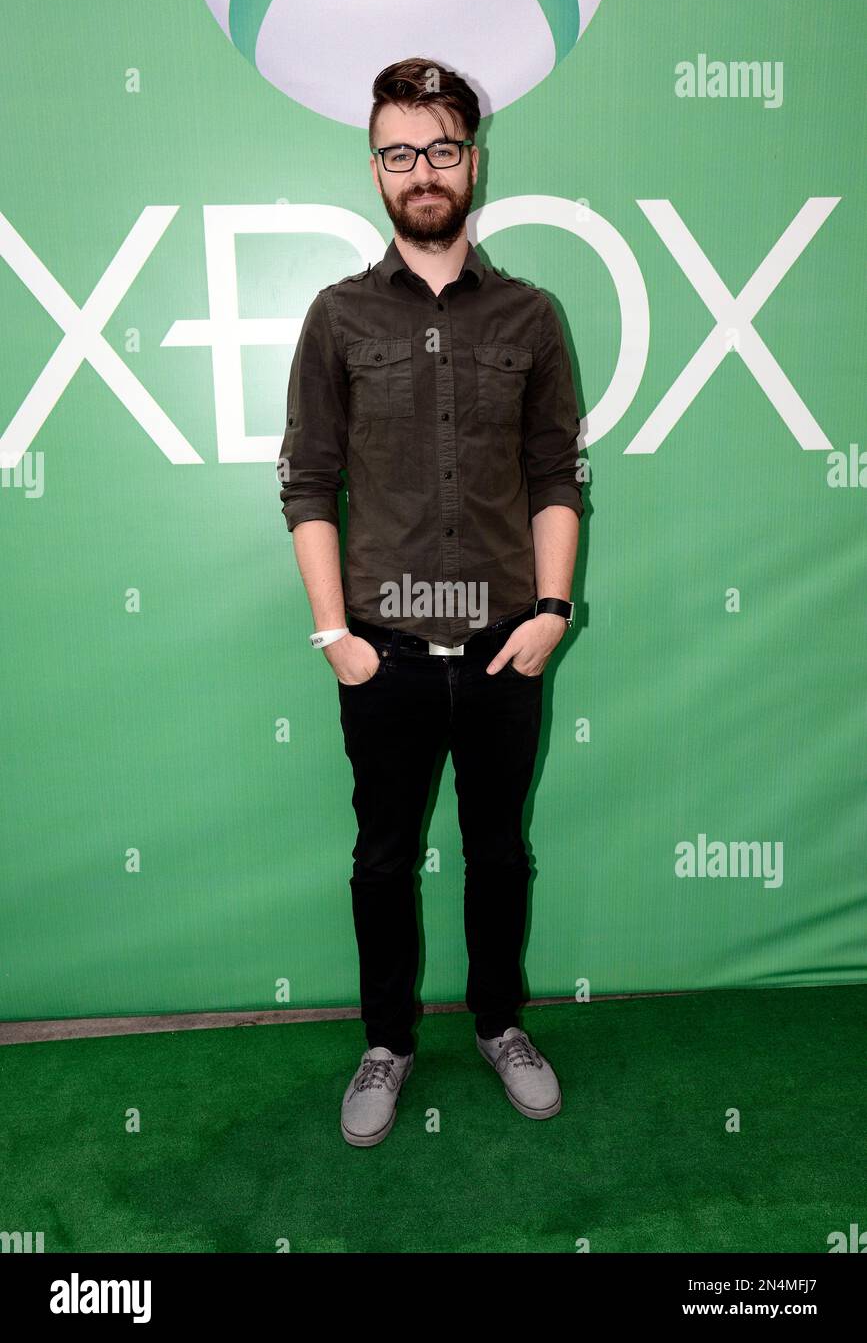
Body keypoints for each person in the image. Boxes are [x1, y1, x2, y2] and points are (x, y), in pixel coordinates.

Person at [277, 58, 584, 1147]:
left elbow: (557, 475)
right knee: (382, 854)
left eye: (442, 148)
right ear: (374, 168)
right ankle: (387, 1041)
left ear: (473, 160)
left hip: (507, 645)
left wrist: (552, 610)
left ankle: (499, 1021)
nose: (423, 171)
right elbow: (308, 479)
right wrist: (335, 637)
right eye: (400, 152)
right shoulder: (337, 315)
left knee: (500, 850)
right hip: (385, 650)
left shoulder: (532, 314)